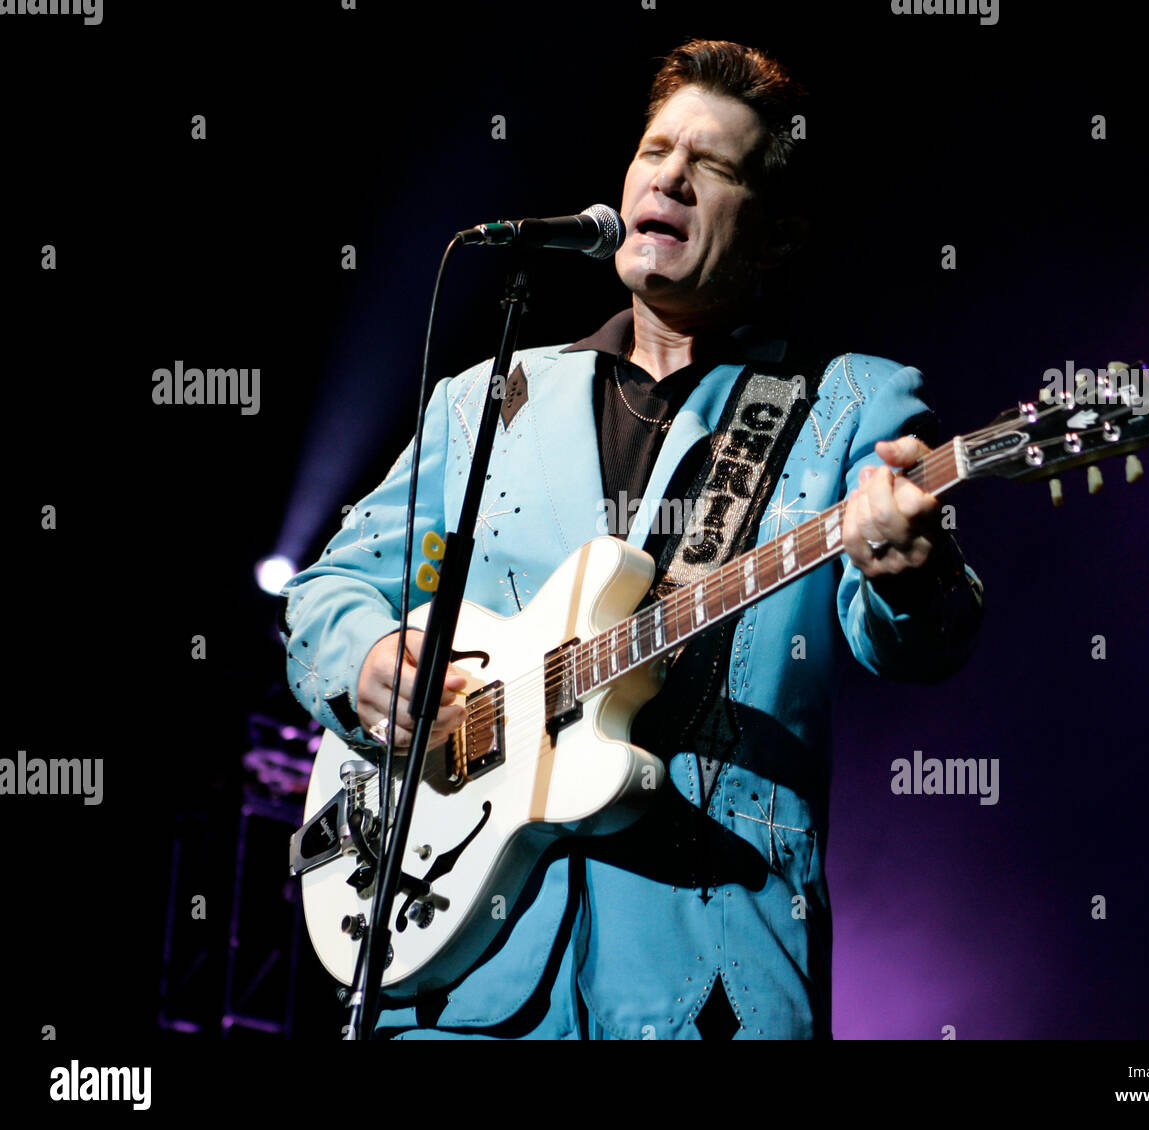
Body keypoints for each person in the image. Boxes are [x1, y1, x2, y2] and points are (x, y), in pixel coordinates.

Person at [280, 38, 983, 1039]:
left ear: (777, 234)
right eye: (656, 149)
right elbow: (332, 582)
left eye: (716, 166)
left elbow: (916, 640)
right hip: (460, 979)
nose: (670, 175)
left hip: (709, 983)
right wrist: (366, 657)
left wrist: (912, 577)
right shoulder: (492, 396)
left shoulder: (849, 402)